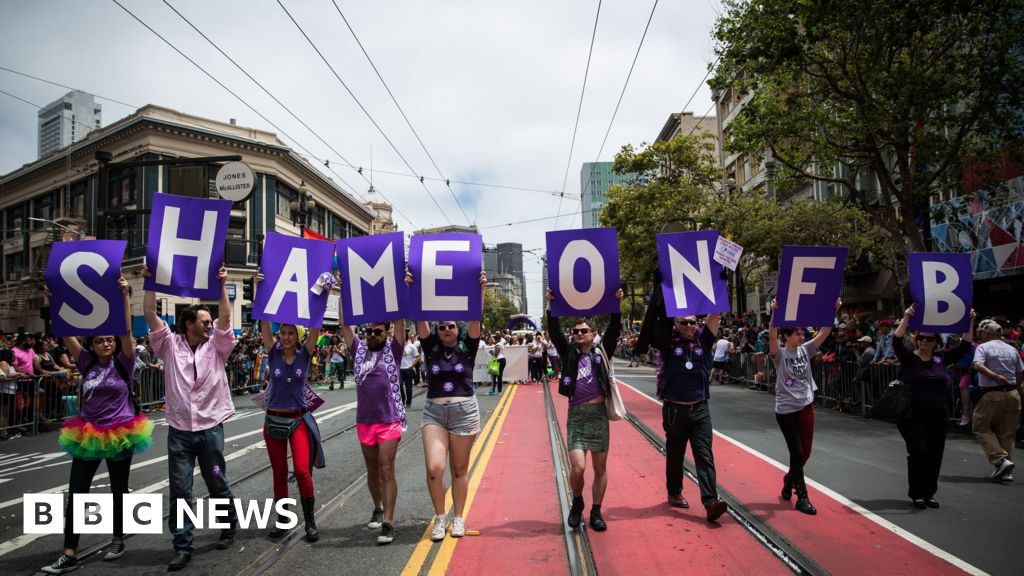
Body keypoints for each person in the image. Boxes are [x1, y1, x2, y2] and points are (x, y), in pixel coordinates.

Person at [41, 276, 153, 574]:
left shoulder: (124, 362)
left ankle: (117, 538)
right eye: (100, 340)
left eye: (109, 340)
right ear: (91, 344)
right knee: (77, 492)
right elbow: (65, 332)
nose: (106, 343)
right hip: (88, 434)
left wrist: (125, 295)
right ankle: (69, 551)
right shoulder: (86, 362)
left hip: (121, 433)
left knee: (118, 491)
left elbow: (128, 330)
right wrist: (55, 301)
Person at [143, 265, 239, 571]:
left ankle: (228, 524)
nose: (210, 326)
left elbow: (226, 319)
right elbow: (150, 317)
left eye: (210, 322)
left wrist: (222, 285)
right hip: (180, 432)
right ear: (188, 324)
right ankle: (183, 545)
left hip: (211, 429)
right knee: (180, 489)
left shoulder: (217, 347)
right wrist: (149, 284)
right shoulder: (169, 345)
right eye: (204, 322)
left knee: (216, 481)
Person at [637, 272, 728, 522]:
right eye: (684, 323)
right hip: (675, 411)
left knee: (704, 455)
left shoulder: (704, 340)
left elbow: (715, 315)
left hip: (700, 410)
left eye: (693, 322)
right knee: (675, 455)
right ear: (676, 325)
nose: (690, 326)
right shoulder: (666, 344)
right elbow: (662, 322)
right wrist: (662, 287)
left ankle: (710, 501)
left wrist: (721, 282)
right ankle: (674, 492)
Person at [407, 270, 486, 541]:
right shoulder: (430, 348)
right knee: (435, 469)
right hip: (434, 413)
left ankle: (459, 518)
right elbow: (419, 318)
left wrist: (480, 290)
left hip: (464, 413)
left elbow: (476, 316)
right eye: (442, 327)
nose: (446, 330)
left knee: (459, 470)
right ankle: (440, 517)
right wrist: (412, 289)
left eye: (451, 326)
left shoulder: (468, 347)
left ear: (457, 329)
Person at [253, 271, 325, 542]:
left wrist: (324, 294)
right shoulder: (272, 352)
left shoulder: (306, 354)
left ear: (298, 335)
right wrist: (260, 289)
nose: (284, 337)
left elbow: (316, 326)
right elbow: (263, 321)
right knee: (279, 474)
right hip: (273, 421)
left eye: (289, 333)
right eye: (282, 332)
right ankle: (283, 521)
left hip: (298, 421)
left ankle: (310, 522)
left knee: (302, 471)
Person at [546, 288, 624, 531]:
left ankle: (596, 511)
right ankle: (577, 501)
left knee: (600, 468)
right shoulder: (568, 352)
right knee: (578, 467)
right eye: (576, 332)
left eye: (583, 331)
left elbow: (614, 330)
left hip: (598, 415)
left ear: (593, 334)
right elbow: (555, 332)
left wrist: (617, 305)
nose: (578, 334)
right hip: (577, 416)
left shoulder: (602, 352)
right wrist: (551, 306)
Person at [892, 305, 974, 508]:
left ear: (937, 341)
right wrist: (906, 318)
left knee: (935, 454)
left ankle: (929, 493)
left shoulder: (942, 358)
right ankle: (917, 493)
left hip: (939, 415)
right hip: (914, 416)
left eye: (929, 339)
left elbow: (965, 344)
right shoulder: (910, 359)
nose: (924, 342)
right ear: (916, 339)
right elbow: (896, 341)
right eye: (921, 338)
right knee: (920, 452)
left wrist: (970, 321)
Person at [768, 297, 840, 515]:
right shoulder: (779, 354)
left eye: (803, 333)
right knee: (797, 452)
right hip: (786, 411)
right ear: (787, 336)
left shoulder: (806, 349)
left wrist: (832, 309)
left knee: (805, 453)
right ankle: (803, 497)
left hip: (806, 406)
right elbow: (772, 335)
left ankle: (789, 479)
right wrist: (774, 313)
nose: (802, 336)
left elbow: (824, 333)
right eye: (798, 333)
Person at [342, 314, 406, 545]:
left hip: (389, 420)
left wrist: (402, 295)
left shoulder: (394, 351)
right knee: (372, 469)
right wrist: (344, 294)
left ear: (387, 333)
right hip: (365, 421)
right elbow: (345, 324)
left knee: (386, 467)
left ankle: (388, 522)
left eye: (377, 331)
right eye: (369, 331)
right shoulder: (358, 350)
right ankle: (378, 507)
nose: (372, 335)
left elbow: (401, 323)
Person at [971, 319, 1024, 482]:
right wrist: (1015, 387)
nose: (979, 335)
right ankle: (1006, 471)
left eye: (980, 332)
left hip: (992, 395)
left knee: (980, 426)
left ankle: (1000, 459)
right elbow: (1020, 372)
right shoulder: (1012, 349)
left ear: (986, 333)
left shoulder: (982, 347)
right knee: (1008, 433)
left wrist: (994, 377)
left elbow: (978, 365)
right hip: (1013, 394)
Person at [401, 332, 418, 407]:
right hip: (399, 369)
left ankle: (408, 402)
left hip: (408, 369)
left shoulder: (411, 346)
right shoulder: (397, 346)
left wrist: (412, 365)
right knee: (400, 385)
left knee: (408, 387)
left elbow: (417, 356)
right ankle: (402, 400)